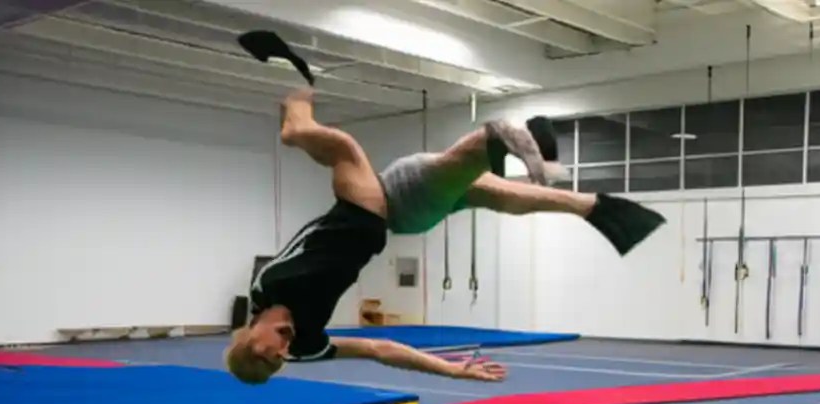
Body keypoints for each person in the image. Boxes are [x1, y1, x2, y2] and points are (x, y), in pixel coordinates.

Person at [226, 31, 666, 384]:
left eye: (270, 350)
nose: (283, 349)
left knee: (345, 145)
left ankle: (298, 103)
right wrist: (452, 369)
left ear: (250, 334)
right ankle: (588, 202)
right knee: (500, 198)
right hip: (399, 215)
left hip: (370, 200)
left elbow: (321, 242)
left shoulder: (270, 283)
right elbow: (383, 349)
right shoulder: (306, 345)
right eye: (280, 359)